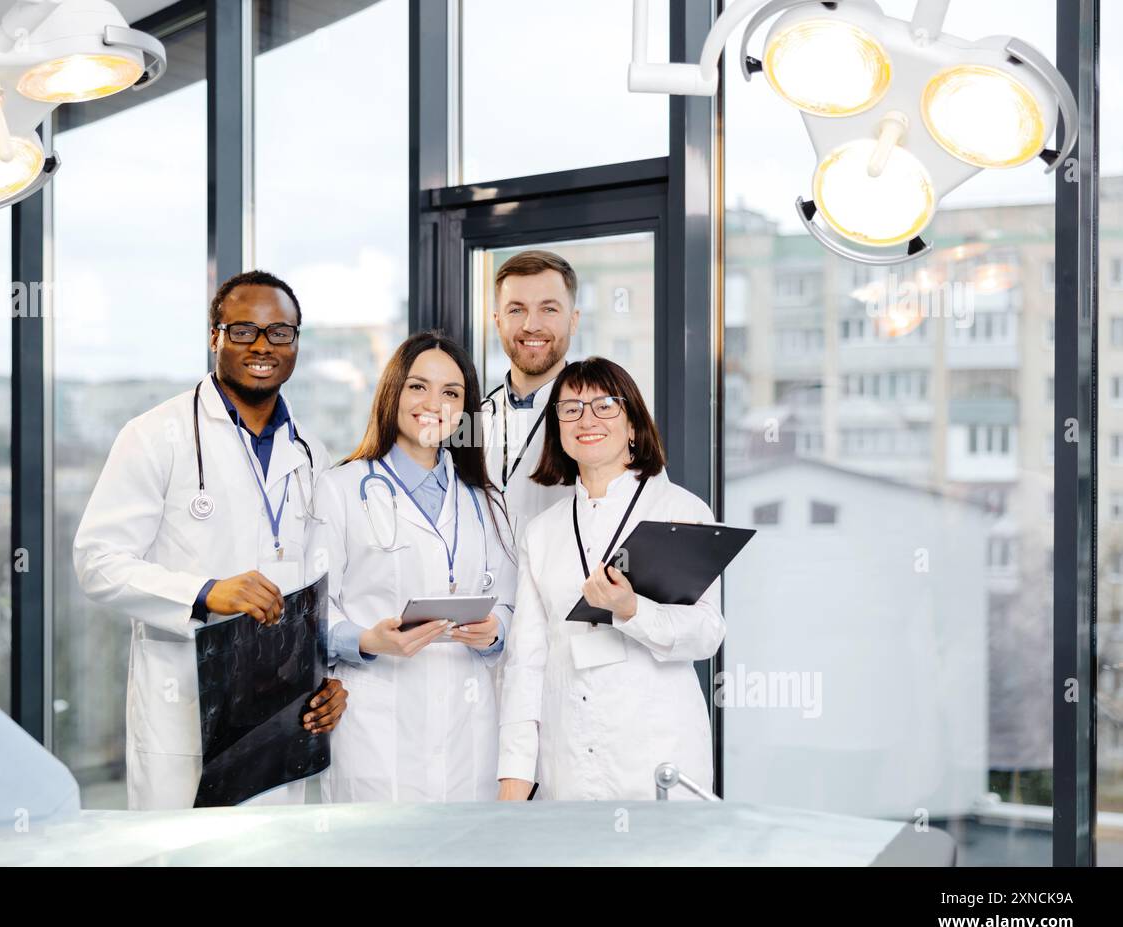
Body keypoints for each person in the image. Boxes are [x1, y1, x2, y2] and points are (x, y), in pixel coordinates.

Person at [73, 269, 347, 810]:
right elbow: (97, 562)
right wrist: (204, 591)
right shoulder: (156, 435)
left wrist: (328, 679)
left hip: (280, 714)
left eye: (280, 332)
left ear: (296, 342)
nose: (263, 345)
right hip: (183, 706)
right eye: (243, 330)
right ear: (215, 336)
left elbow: (320, 593)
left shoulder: (313, 454)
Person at [496, 357, 726, 802]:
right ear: (558, 430)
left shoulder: (681, 512)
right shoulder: (542, 533)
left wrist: (633, 610)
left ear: (634, 425)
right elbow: (526, 665)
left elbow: (706, 636)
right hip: (570, 764)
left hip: (658, 757)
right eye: (571, 409)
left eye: (604, 406)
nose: (587, 419)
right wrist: (514, 780)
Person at [308, 330, 516, 802]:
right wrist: (365, 640)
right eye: (418, 386)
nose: (433, 403)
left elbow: (509, 600)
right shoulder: (339, 489)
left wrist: (495, 630)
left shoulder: (486, 500)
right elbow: (312, 609)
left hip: (468, 728)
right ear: (393, 392)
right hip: (375, 724)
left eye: (451, 392)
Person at [481, 250, 580, 535]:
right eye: (516, 309)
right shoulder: (471, 420)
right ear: (497, 320)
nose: (531, 325)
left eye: (548, 309)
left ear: (573, 320)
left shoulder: (603, 419)